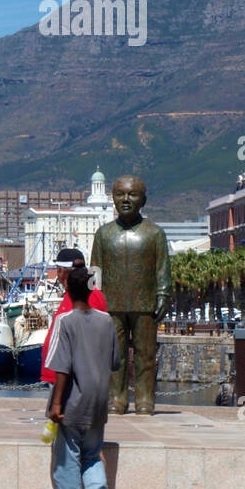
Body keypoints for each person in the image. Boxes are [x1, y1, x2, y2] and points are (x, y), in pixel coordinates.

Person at [45, 268, 119, 489]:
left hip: (72, 402)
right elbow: (114, 362)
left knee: (65, 463)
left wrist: (56, 404)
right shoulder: (107, 322)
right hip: (99, 403)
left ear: (68, 289)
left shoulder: (65, 321)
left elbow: (60, 367)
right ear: (91, 289)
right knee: (91, 456)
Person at [89, 175, 171, 414]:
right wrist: (94, 301)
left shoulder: (155, 234)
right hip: (111, 305)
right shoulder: (103, 234)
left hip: (145, 304)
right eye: (120, 194)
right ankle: (117, 399)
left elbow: (163, 269)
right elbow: (95, 271)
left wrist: (163, 295)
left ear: (143, 200)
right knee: (115, 356)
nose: (126, 199)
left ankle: (145, 399)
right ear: (113, 199)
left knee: (145, 355)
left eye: (132, 194)